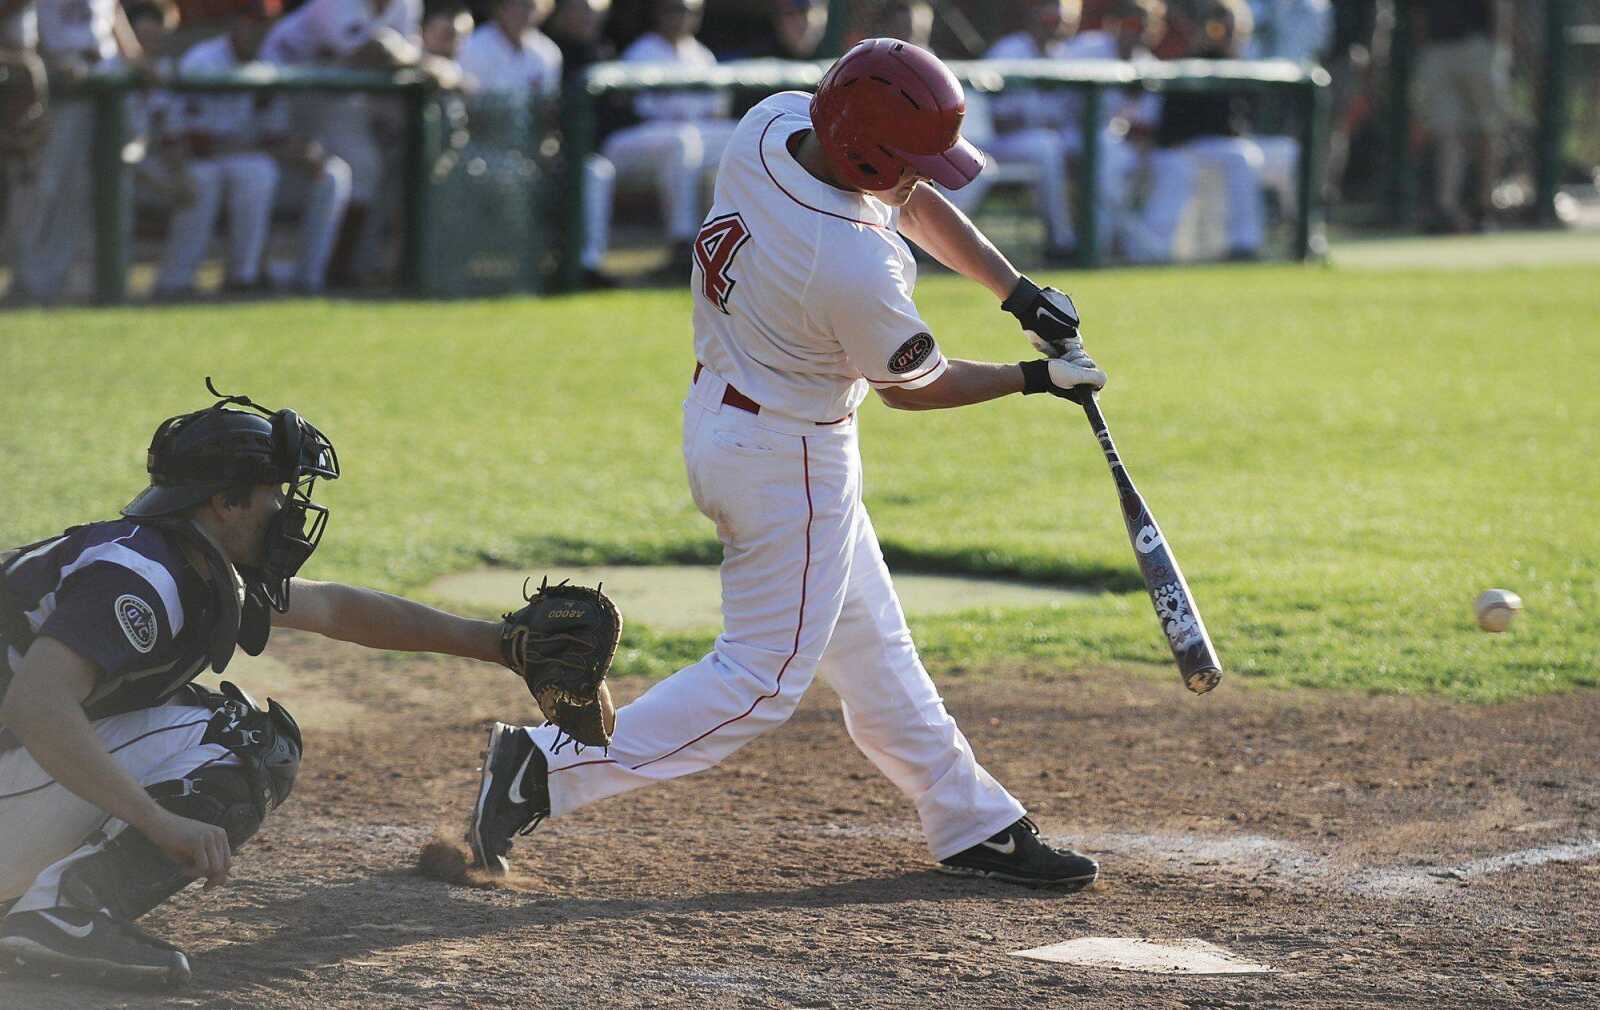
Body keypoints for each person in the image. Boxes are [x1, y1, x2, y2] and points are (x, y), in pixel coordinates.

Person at [468, 38, 1109, 890]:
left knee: (873, 644)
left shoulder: (770, 124)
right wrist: (1036, 378)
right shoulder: (849, 259)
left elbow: (906, 194)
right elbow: (914, 387)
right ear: (863, 152)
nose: (920, 175)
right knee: (762, 679)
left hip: (731, 417)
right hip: (789, 459)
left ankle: (973, 822)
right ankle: (541, 769)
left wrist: (1016, 290)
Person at [0, 382, 529, 986]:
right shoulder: (139, 577)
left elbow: (337, 609)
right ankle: (62, 918)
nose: (285, 508)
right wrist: (153, 818)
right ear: (224, 502)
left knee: (201, 719)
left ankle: (38, 912)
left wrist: (499, 644)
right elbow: (38, 705)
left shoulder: (181, 559)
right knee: (242, 741)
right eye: (274, 492)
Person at [165, 0, 353, 296]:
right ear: (233, 22)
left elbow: (273, 133)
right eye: (250, 18)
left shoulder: (271, 61)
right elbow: (196, 140)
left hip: (246, 155)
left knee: (332, 173)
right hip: (196, 159)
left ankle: (307, 280)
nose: (257, 27)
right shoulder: (202, 60)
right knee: (251, 171)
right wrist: (266, 148)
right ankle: (217, 279)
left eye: (264, 20)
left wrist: (300, 151)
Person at [259, 0, 426, 289]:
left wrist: (397, 51)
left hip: (341, 97)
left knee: (359, 172)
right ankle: (318, 270)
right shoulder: (333, 4)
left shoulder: (407, 4)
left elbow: (405, 54)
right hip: (281, 91)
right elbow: (366, 53)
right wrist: (399, 51)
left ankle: (334, 268)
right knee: (335, 172)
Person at [581, 0, 737, 284]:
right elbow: (637, 113)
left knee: (739, 135)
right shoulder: (641, 52)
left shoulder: (702, 55)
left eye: (688, 11)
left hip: (686, 141)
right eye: (674, 9)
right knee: (681, 141)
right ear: (659, 13)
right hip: (631, 143)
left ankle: (736, 249)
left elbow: (717, 113)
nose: (680, 17)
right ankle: (682, 242)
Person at [6, 0, 145, 305]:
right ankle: (28, 281)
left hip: (104, 81)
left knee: (91, 187)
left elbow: (112, 10)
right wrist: (42, 62)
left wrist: (133, 55)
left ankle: (68, 280)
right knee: (44, 186)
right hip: (56, 88)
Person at [1122, 0, 1271, 262]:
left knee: (1245, 157)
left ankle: (1245, 245)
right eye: (1215, 26)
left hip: (1218, 147)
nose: (1220, 33)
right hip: (1178, 146)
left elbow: (1241, 124)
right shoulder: (1186, 62)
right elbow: (1169, 123)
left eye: (1227, 27)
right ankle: (1151, 252)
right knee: (1181, 167)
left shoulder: (1241, 64)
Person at [948, 0, 1086, 263]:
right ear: (1034, 18)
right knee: (1046, 146)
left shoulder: (1071, 54)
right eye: (1049, 21)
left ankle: (1101, 241)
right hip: (996, 143)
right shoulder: (1009, 50)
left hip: (1046, 139)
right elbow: (995, 118)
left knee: (1105, 151)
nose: (1055, 28)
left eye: (1063, 23)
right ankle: (1061, 243)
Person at [1414, 0, 1510, 232]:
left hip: (1478, 45)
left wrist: (1498, 47)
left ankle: (1484, 208)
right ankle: (1446, 209)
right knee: (1446, 132)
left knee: (1487, 130)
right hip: (1438, 47)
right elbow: (1418, 11)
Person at [457, 0, 561, 97]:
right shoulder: (473, 46)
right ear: (500, 7)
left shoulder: (549, 52)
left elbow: (547, 105)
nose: (522, 12)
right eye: (515, 3)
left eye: (529, 5)